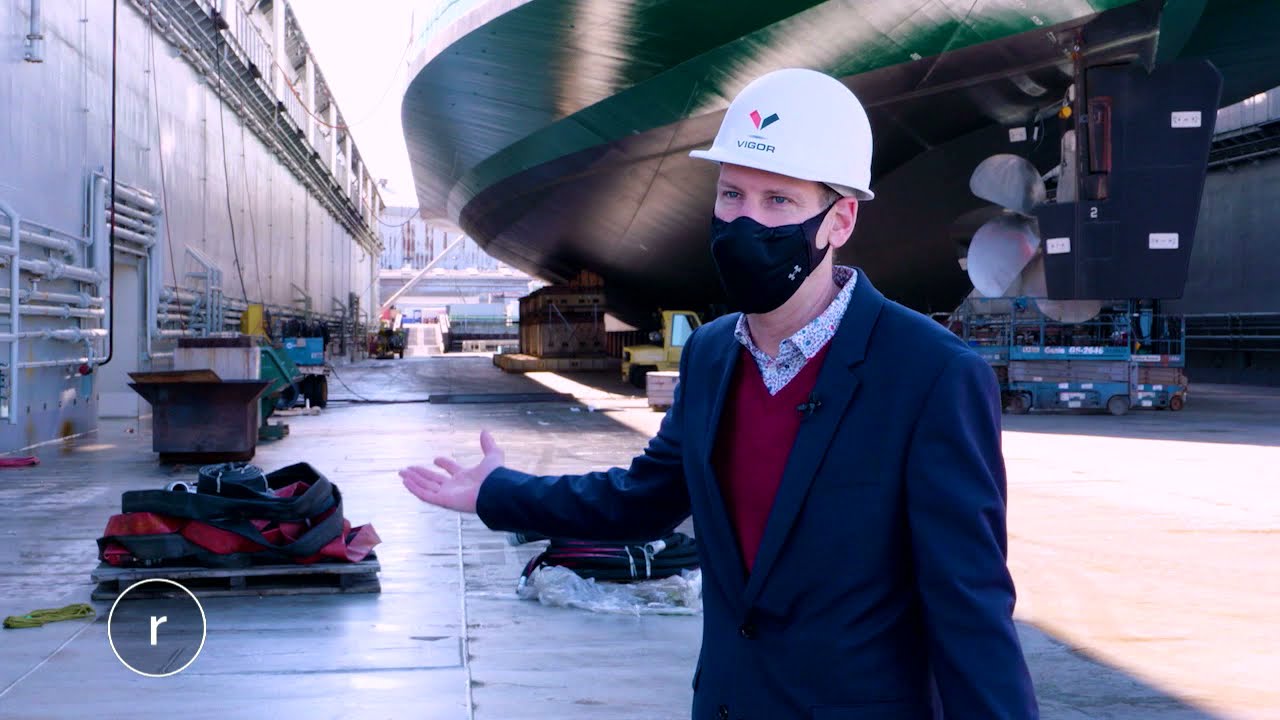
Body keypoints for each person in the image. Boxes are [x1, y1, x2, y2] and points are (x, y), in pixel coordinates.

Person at [401, 67, 1038, 719]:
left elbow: (970, 610)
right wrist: (498, 492)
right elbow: (642, 499)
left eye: (778, 201)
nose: (744, 222)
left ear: (840, 220)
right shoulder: (710, 355)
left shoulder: (930, 375)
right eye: (732, 194)